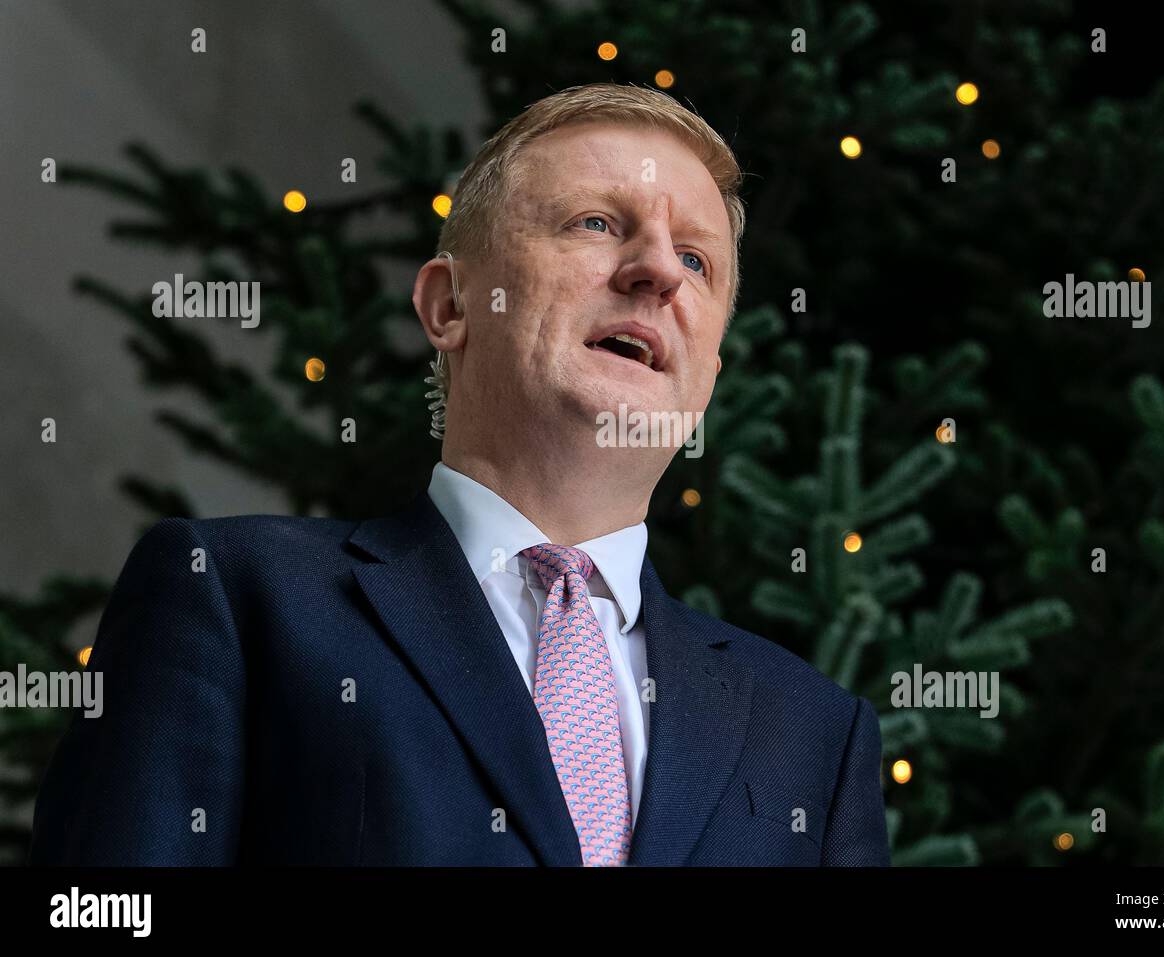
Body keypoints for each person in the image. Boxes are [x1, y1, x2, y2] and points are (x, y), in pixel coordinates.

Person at [29, 82, 889, 866]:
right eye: (597, 222)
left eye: (696, 261)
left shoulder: (814, 736)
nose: (659, 270)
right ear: (449, 305)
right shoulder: (234, 599)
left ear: (707, 379)